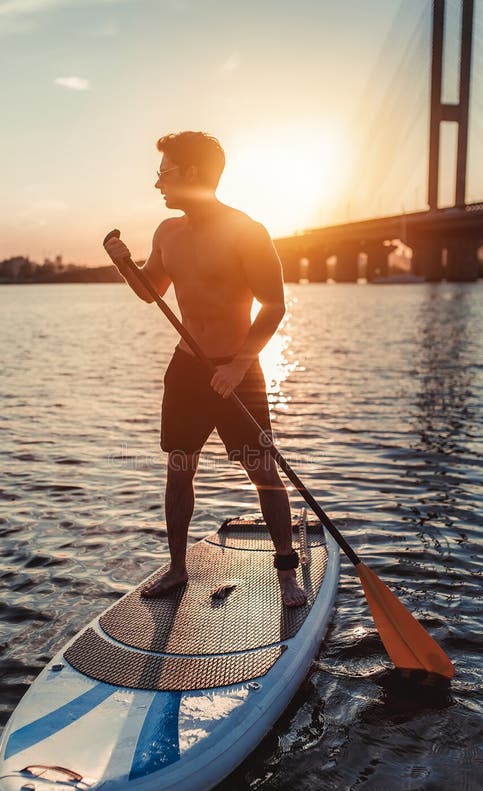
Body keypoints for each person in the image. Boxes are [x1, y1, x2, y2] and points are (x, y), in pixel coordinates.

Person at [103, 131, 307, 607]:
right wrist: (124, 265)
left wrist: (239, 364)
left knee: (262, 471)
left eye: (165, 172)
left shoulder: (246, 231)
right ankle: (176, 569)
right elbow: (150, 292)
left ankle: (286, 572)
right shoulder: (167, 232)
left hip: (237, 370)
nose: (158, 184)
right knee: (179, 468)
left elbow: (274, 305)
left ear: (192, 174)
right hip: (188, 370)